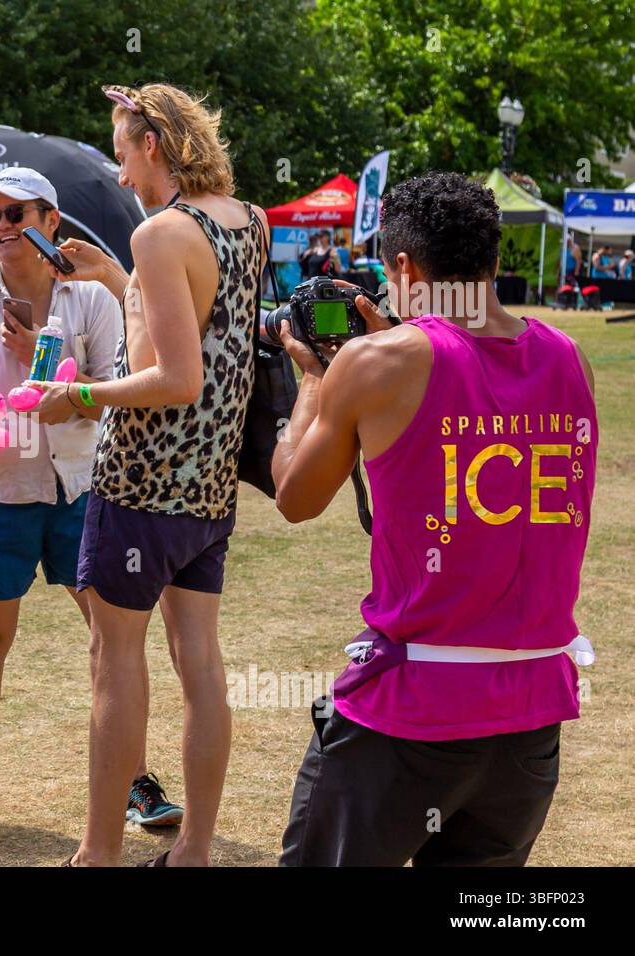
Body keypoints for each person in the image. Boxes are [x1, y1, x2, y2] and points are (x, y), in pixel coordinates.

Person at [273, 172, 597, 866]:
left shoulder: (374, 363)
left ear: (402, 267)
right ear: (496, 261)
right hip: (533, 709)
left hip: (413, 708)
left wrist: (312, 381)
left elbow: (295, 499)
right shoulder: (570, 360)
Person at [0, 166, 183, 842]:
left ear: (51, 222)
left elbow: (127, 390)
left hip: (81, 489)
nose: (1, 227)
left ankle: (136, 783)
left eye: (17, 213)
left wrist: (45, 360)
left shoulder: (91, 301)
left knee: (109, 642)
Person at [28, 82, 267, 867]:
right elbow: (205, 323)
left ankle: (98, 855)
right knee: (199, 663)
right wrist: (114, 279)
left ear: (154, 145)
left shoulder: (161, 233)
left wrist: (78, 394)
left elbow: (177, 376)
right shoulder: (247, 221)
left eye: (123, 153)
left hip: (139, 480)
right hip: (208, 487)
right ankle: (193, 850)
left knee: (114, 661)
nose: (122, 174)